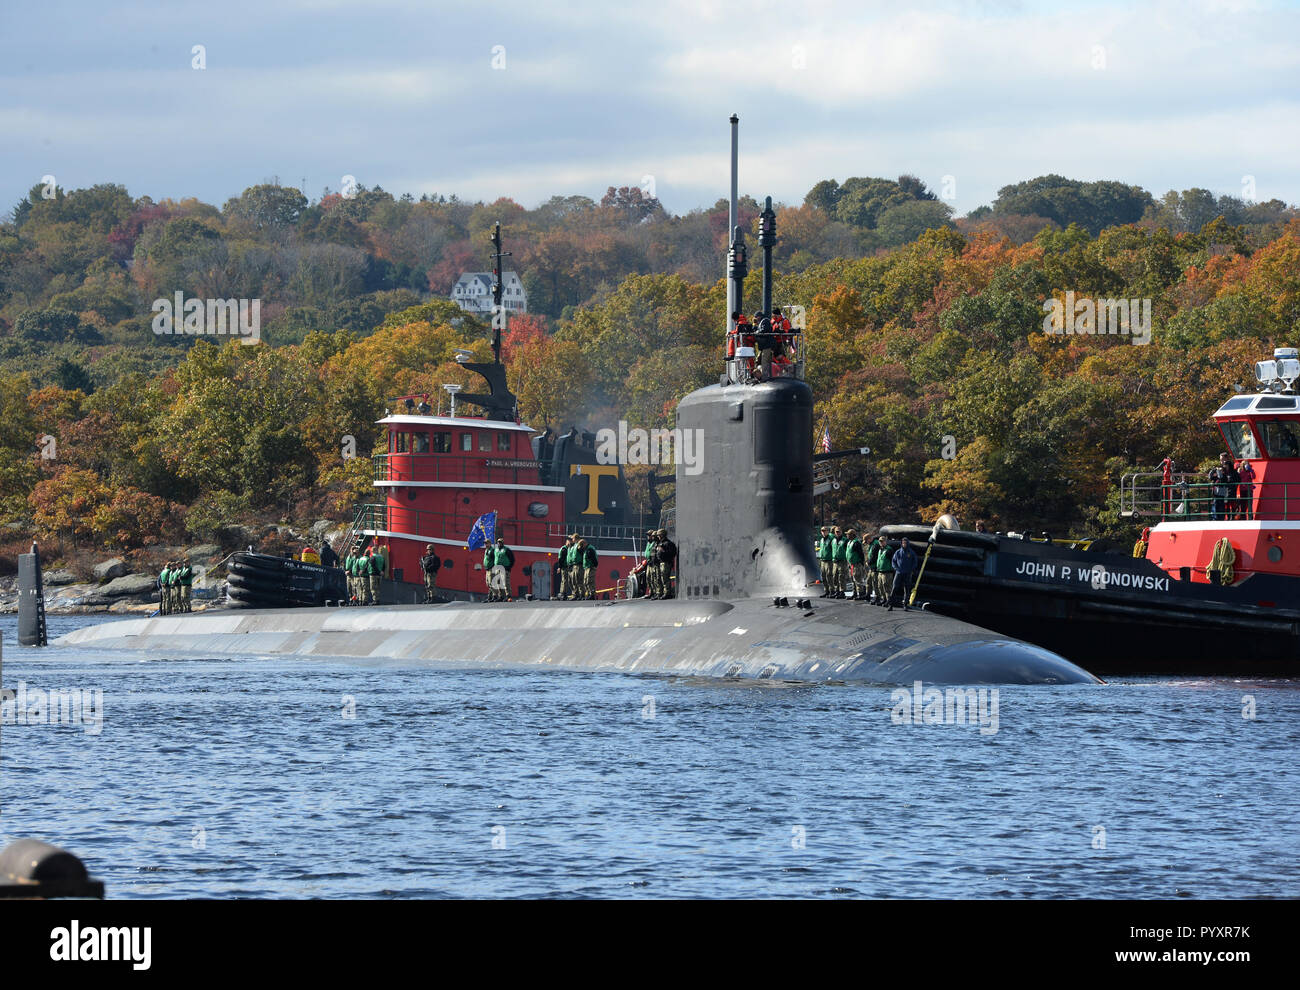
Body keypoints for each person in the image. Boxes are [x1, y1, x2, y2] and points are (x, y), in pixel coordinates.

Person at [888, 537, 919, 612]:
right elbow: (893, 562)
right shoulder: (898, 552)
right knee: (894, 588)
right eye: (903, 543)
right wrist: (896, 568)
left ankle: (905, 605)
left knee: (907, 590)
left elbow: (915, 562)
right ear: (901, 544)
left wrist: (911, 570)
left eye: (905, 543)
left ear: (907, 543)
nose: (904, 544)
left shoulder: (911, 552)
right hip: (898, 573)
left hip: (907, 574)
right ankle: (891, 605)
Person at [656, 529, 677, 599]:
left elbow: (672, 553)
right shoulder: (661, 543)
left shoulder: (668, 543)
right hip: (661, 562)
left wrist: (663, 551)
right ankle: (663, 592)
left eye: (659, 535)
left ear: (662, 535)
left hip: (666, 563)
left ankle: (667, 593)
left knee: (665, 578)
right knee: (662, 578)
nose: (658, 537)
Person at [873, 536, 894, 607]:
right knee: (880, 587)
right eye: (880, 541)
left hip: (887, 572)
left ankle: (889, 601)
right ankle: (884, 599)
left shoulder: (889, 550)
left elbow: (892, 561)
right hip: (880, 571)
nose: (881, 542)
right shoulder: (880, 549)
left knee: (887, 587)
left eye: (882, 541)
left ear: (885, 542)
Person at [845, 529, 866, 600]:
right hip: (851, 564)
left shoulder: (856, 543)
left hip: (857, 564)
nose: (847, 535)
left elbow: (861, 554)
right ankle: (854, 593)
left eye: (848, 534)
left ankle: (861, 594)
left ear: (852, 535)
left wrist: (861, 564)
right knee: (852, 579)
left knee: (858, 579)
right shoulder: (849, 542)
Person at [830, 526, 848, 598]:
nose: (837, 533)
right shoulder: (833, 540)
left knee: (841, 576)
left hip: (842, 561)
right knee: (835, 576)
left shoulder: (845, 540)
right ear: (834, 532)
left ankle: (842, 591)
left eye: (839, 531)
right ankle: (836, 590)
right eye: (836, 532)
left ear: (841, 532)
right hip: (835, 561)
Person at [816, 526, 833, 597]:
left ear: (827, 531)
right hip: (822, 560)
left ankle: (832, 591)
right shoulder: (822, 540)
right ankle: (826, 591)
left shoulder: (831, 539)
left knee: (829, 576)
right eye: (822, 531)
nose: (823, 532)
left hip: (829, 560)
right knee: (823, 576)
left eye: (825, 531)